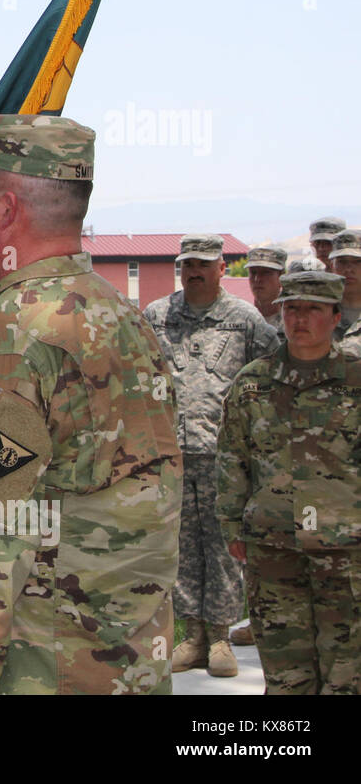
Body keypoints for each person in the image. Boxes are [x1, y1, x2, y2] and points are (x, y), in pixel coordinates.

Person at [0, 114, 181, 695]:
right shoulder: (124, 319)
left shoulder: (12, 335)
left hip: (39, 668)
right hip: (124, 666)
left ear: (4, 211)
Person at [217, 270, 361, 693]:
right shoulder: (253, 381)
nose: (299, 318)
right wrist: (230, 526)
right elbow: (232, 458)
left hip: (346, 547)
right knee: (284, 669)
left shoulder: (356, 380)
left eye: (312, 309)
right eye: (291, 308)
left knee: (347, 668)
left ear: (336, 317)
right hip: (273, 544)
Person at [143, 233, 279, 678]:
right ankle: (193, 636)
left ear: (222, 268)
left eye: (203, 264)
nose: (194, 272)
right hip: (172, 453)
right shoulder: (158, 315)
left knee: (221, 548)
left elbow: (270, 376)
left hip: (224, 455)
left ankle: (220, 636)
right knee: (182, 548)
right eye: (187, 265)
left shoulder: (244, 319)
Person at [328, 229, 361, 349]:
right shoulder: (318, 309)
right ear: (332, 266)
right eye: (342, 262)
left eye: (358, 262)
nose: (348, 269)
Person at [246, 245, 287, 334]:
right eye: (253, 273)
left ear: (281, 277)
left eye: (265, 273)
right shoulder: (239, 318)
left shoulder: (292, 322)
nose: (257, 279)